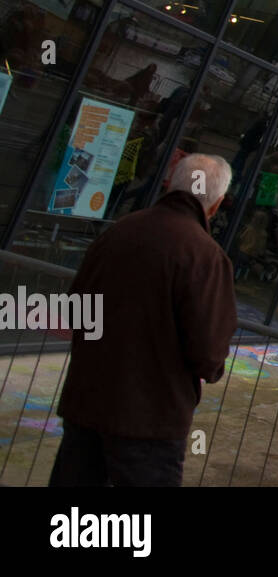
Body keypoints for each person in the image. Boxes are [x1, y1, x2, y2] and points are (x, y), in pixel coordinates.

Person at [50, 154, 238, 487]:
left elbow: (76, 309)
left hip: (87, 401)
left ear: (169, 183)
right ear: (217, 203)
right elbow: (209, 354)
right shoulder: (205, 256)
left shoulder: (119, 230)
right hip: (150, 418)